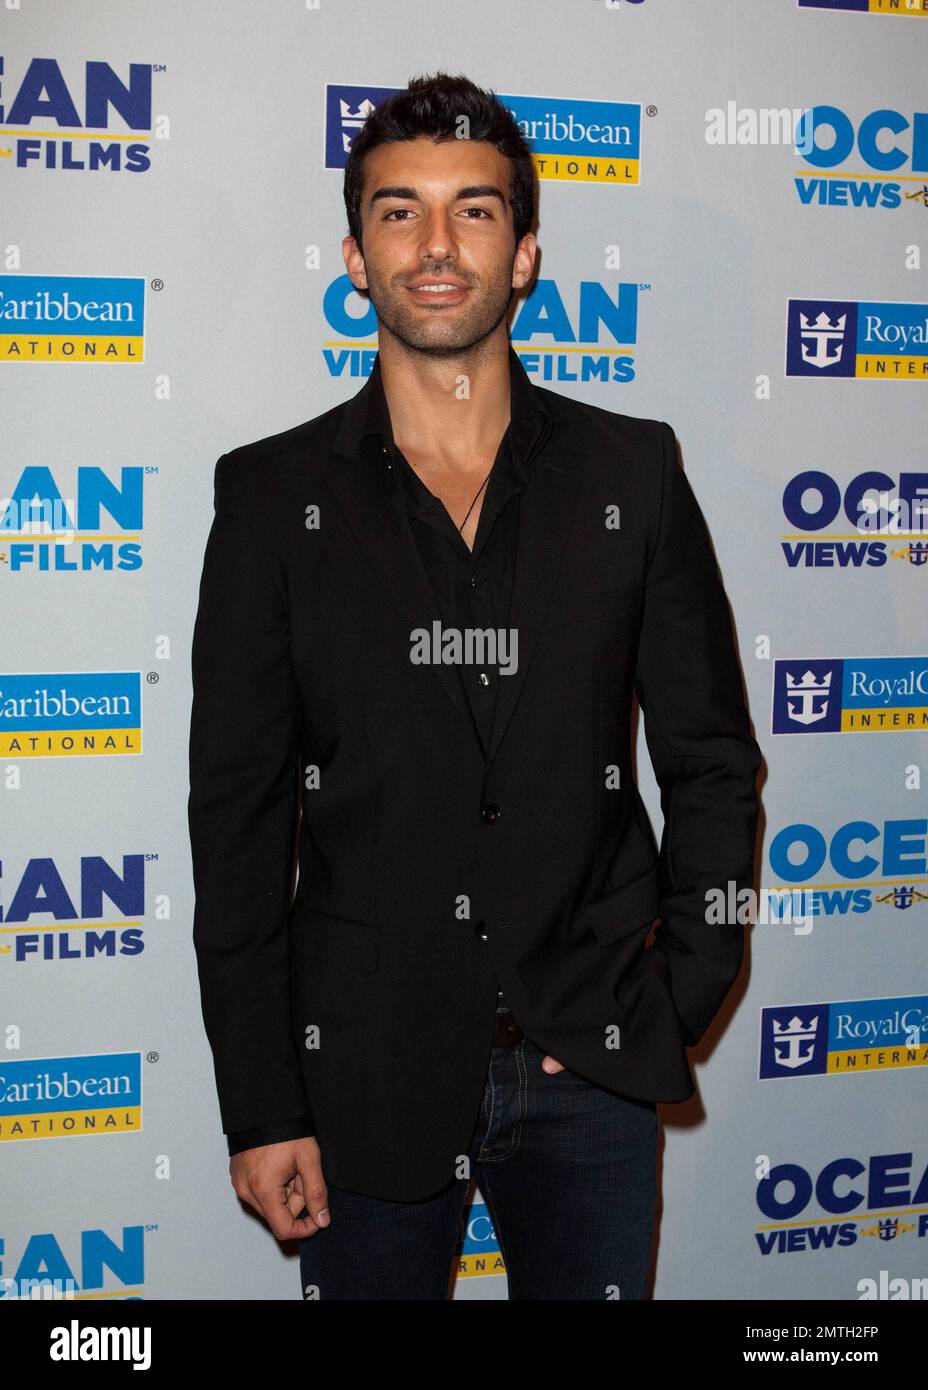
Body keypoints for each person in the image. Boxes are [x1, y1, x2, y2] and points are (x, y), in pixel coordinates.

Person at [187, 71, 762, 1301]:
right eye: (399, 212)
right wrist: (259, 1103)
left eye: (474, 212)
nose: (436, 245)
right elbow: (234, 827)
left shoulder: (634, 472)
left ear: (526, 253)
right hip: (360, 1078)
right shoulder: (270, 499)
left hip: (590, 1078)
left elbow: (712, 761)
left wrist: (672, 997)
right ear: (354, 254)